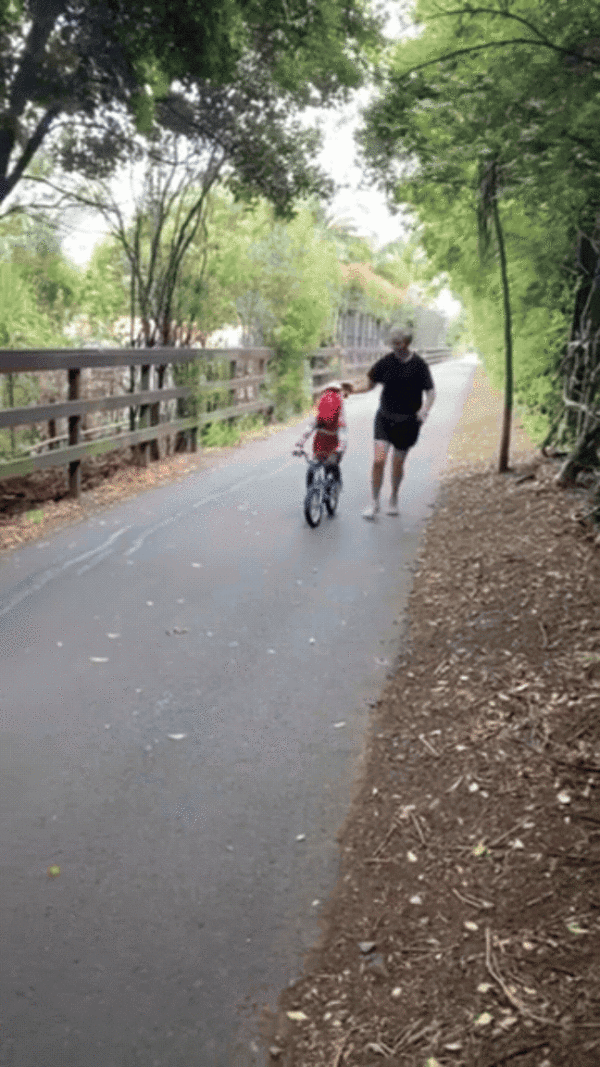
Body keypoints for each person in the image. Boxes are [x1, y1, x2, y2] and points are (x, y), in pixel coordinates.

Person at [350, 329, 436, 519]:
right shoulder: (386, 362)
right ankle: (374, 503)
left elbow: (431, 393)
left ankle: (394, 497)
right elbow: (369, 384)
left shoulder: (419, 365)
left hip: (407, 422)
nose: (395, 347)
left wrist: (424, 411)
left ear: (407, 343)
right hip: (385, 418)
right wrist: (350, 390)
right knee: (378, 460)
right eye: (393, 344)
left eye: (399, 343)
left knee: (397, 464)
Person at [294, 380, 351, 487]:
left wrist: (299, 445)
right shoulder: (339, 406)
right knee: (331, 465)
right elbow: (343, 431)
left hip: (320, 441)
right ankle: (336, 484)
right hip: (334, 443)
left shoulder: (320, 416)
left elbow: (309, 429)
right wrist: (341, 448)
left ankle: (311, 491)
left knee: (314, 465)